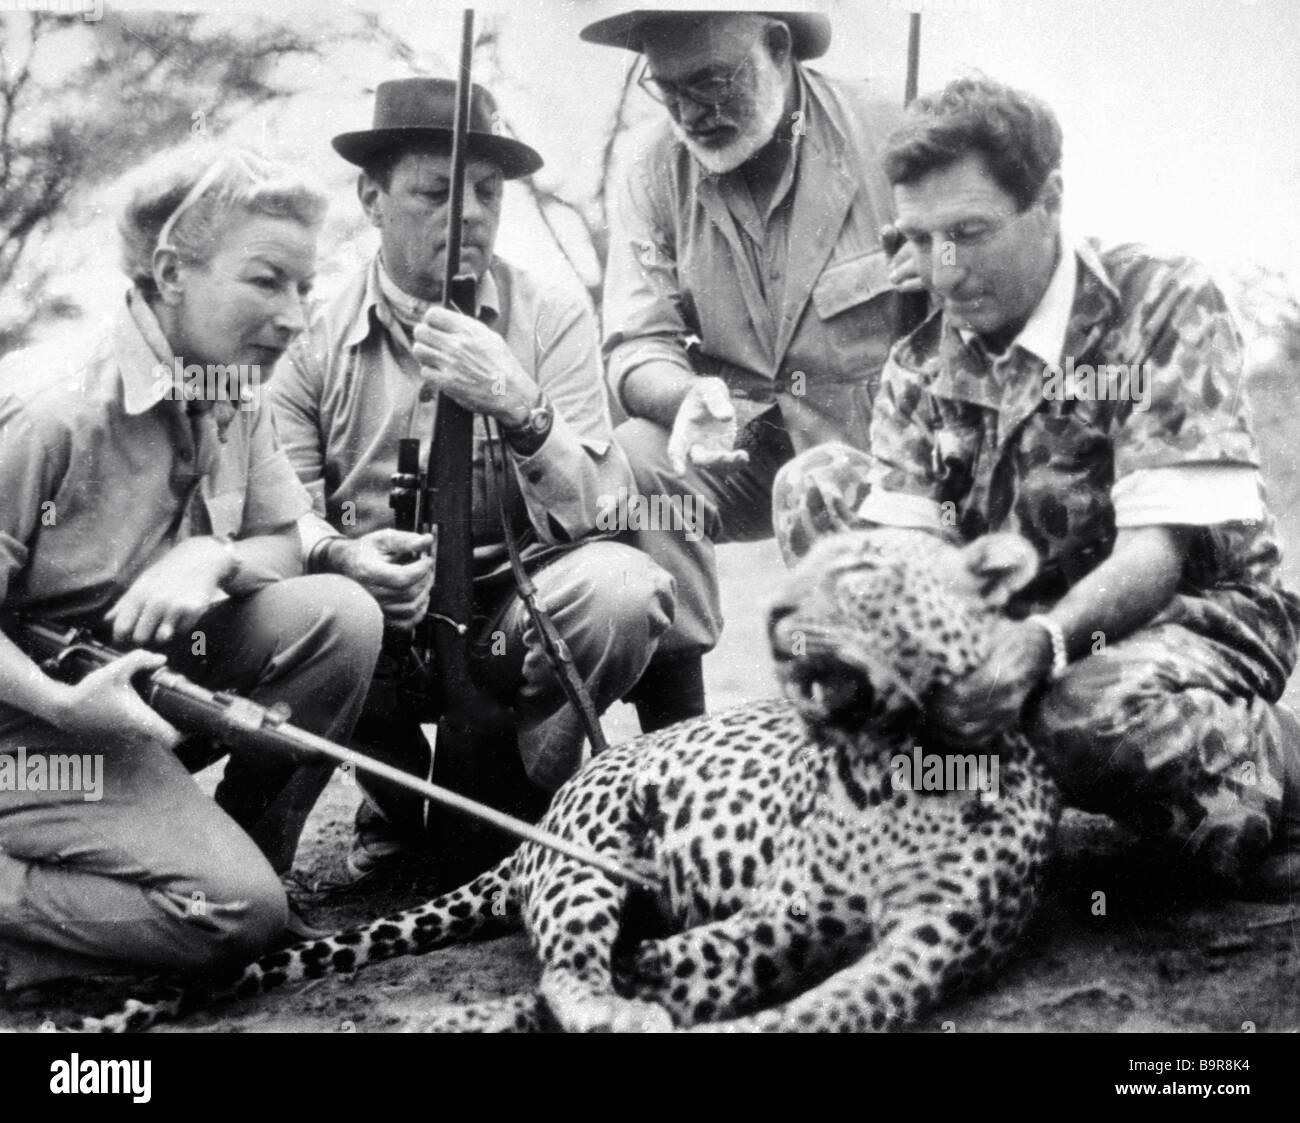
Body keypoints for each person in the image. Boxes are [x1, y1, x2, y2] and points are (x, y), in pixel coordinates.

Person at [772, 77, 1300, 898]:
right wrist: (908, 655)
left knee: (1080, 713)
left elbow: (1157, 554)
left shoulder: (1159, 302)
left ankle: (1271, 770)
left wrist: (1040, 648)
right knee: (816, 492)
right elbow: (910, 548)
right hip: (1023, 613)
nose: (942, 271)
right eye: (918, 238)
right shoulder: (920, 358)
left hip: (1187, 611)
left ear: (1048, 201)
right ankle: (956, 779)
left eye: (970, 233)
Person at [269, 78, 675, 881]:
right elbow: (280, 514)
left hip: (509, 616)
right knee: (303, 604)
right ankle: (385, 795)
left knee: (625, 588)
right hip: (371, 618)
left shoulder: (550, 312)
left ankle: (511, 786)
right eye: (435, 192)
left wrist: (520, 405)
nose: (470, 215)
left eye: (488, 193)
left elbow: (600, 512)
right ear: (373, 199)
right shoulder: (307, 333)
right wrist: (343, 559)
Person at [0, 145, 384, 991]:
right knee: (226, 915)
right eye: (266, 280)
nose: (293, 315)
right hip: (29, 724)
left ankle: (245, 862)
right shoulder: (53, 409)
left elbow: (284, 539)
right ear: (172, 272)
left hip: (121, 693)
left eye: (304, 289)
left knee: (340, 614)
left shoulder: (226, 384)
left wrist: (210, 553)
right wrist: (63, 704)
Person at [580, 8, 917, 731]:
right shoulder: (648, 175)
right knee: (637, 457)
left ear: (778, 45)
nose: (692, 114)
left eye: (712, 81)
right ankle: (677, 738)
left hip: (885, 450)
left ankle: (905, 732)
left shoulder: (897, 133)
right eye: (667, 90)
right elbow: (636, 343)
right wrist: (685, 395)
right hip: (742, 446)